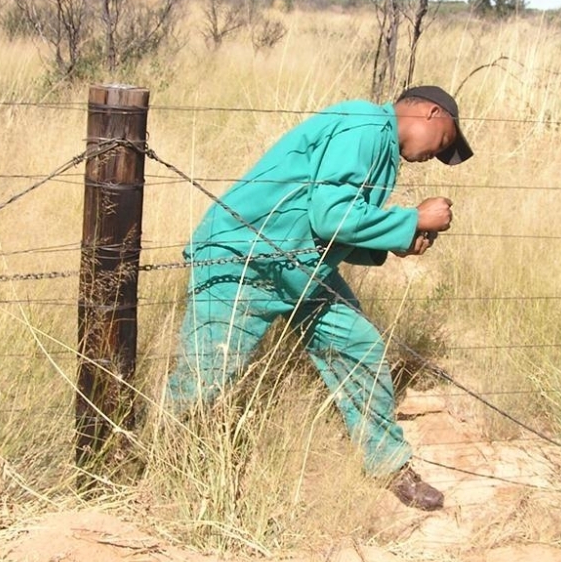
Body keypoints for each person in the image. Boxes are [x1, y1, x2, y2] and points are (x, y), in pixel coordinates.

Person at [166, 85, 473, 511]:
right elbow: (331, 216)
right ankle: (154, 458)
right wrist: (413, 218)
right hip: (246, 260)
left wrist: (397, 241)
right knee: (205, 374)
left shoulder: (380, 147)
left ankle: (387, 464)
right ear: (431, 112)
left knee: (358, 346)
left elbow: (332, 223)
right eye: (443, 142)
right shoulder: (365, 124)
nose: (434, 156)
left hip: (298, 268)